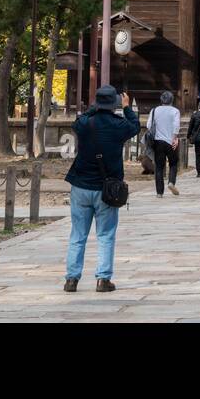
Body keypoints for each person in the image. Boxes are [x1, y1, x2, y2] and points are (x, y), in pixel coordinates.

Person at [63, 84, 140, 292]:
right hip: (107, 188)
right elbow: (135, 126)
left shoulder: (85, 124)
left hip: (80, 185)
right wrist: (126, 107)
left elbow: (76, 122)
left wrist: (92, 108)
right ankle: (103, 279)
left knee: (77, 234)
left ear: (97, 102)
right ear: (114, 103)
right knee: (106, 234)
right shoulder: (119, 125)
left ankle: (71, 279)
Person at [146, 90, 181, 197]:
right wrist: (175, 138)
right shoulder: (175, 111)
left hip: (158, 141)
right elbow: (176, 125)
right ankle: (171, 182)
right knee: (173, 163)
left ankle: (159, 193)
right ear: (172, 100)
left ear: (161, 100)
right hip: (170, 141)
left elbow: (148, 125)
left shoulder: (154, 110)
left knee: (159, 167)